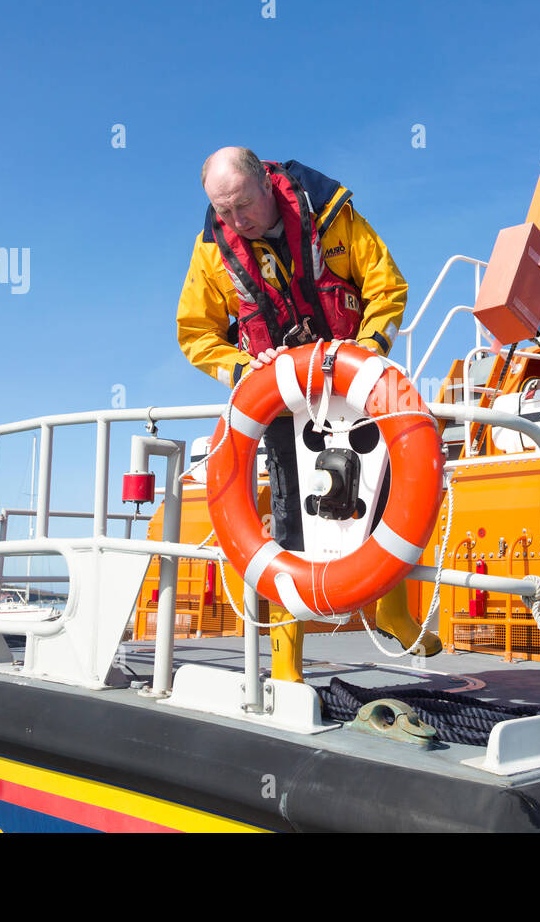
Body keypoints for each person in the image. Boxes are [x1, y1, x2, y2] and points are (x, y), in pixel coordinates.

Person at [176, 147, 440, 681]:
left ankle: (392, 610)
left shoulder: (331, 213)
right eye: (222, 212)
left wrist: (360, 360)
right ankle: (286, 664)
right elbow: (195, 332)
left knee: (390, 500)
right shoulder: (212, 252)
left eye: (242, 206)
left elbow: (387, 285)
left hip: (360, 394)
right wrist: (247, 368)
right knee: (290, 523)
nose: (234, 221)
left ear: (266, 185)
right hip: (278, 403)